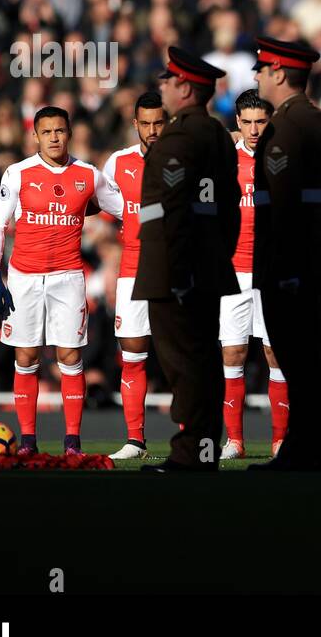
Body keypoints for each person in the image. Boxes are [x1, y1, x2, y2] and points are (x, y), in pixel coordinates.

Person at [0, 105, 124, 455]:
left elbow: (125, 208)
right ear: (35, 135)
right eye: (46, 132)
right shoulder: (17, 173)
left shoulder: (88, 175)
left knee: (69, 355)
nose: (54, 138)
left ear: (70, 132)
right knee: (27, 355)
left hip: (68, 277)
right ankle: (28, 441)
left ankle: (73, 441)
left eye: (59, 130)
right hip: (23, 278)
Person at [135, 47, 241, 473]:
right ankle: (202, 453)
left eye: (167, 80)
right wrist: (217, 254)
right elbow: (228, 207)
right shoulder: (216, 134)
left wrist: (178, 272)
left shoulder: (180, 138)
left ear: (184, 87)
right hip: (204, 265)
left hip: (175, 271)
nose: (161, 86)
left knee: (185, 364)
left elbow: (172, 210)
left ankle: (190, 454)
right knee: (202, 361)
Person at [248, 36, 321, 472]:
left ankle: (299, 450)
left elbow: (284, 203)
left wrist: (285, 266)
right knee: (319, 355)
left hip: (292, 261)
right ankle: (310, 448)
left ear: (277, 74)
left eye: (261, 69)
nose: (256, 76)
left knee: (298, 356)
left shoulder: (286, 127)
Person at [218, 90, 288, 460]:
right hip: (234, 272)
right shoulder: (225, 161)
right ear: (238, 124)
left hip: (272, 271)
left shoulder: (285, 159)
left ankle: (280, 441)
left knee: (276, 354)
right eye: (247, 122)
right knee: (233, 353)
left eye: (261, 121)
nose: (254, 129)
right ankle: (236, 441)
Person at [101, 90, 166, 460]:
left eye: (159, 122)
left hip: (176, 270)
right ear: (135, 124)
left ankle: (192, 437)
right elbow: (111, 210)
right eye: (146, 123)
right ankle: (135, 440)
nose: (153, 130)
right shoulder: (118, 163)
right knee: (133, 352)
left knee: (182, 355)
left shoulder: (184, 161)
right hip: (132, 271)